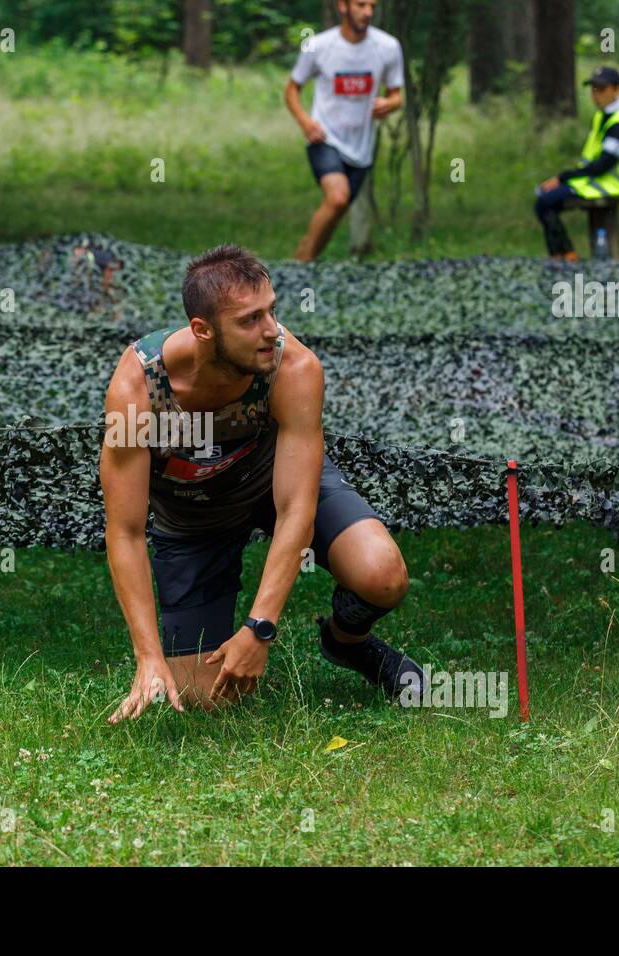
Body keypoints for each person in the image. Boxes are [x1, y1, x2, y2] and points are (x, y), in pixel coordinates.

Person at [100, 244, 424, 721]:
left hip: (269, 484)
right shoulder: (137, 390)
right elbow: (125, 531)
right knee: (202, 697)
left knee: (383, 575)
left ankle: (347, 642)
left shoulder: (294, 367)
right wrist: (148, 656)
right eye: (250, 320)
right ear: (202, 330)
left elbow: (296, 508)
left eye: (272, 311)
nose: (271, 331)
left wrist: (260, 627)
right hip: (192, 518)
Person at [285, 0, 404, 262]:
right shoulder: (318, 46)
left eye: (372, 6)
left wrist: (389, 104)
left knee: (335, 213)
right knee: (338, 198)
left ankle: (304, 261)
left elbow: (397, 95)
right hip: (324, 137)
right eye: (361, 5)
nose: (368, 13)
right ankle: (296, 270)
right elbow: (292, 89)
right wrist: (306, 122)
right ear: (343, 6)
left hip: (361, 147)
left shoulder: (388, 47)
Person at [535, 66, 619, 262]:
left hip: (611, 183)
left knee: (546, 201)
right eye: (593, 89)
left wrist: (563, 177)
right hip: (595, 180)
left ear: (617, 89)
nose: (596, 95)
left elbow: (604, 164)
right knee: (544, 197)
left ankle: (565, 255)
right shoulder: (602, 116)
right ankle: (562, 254)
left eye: (601, 89)